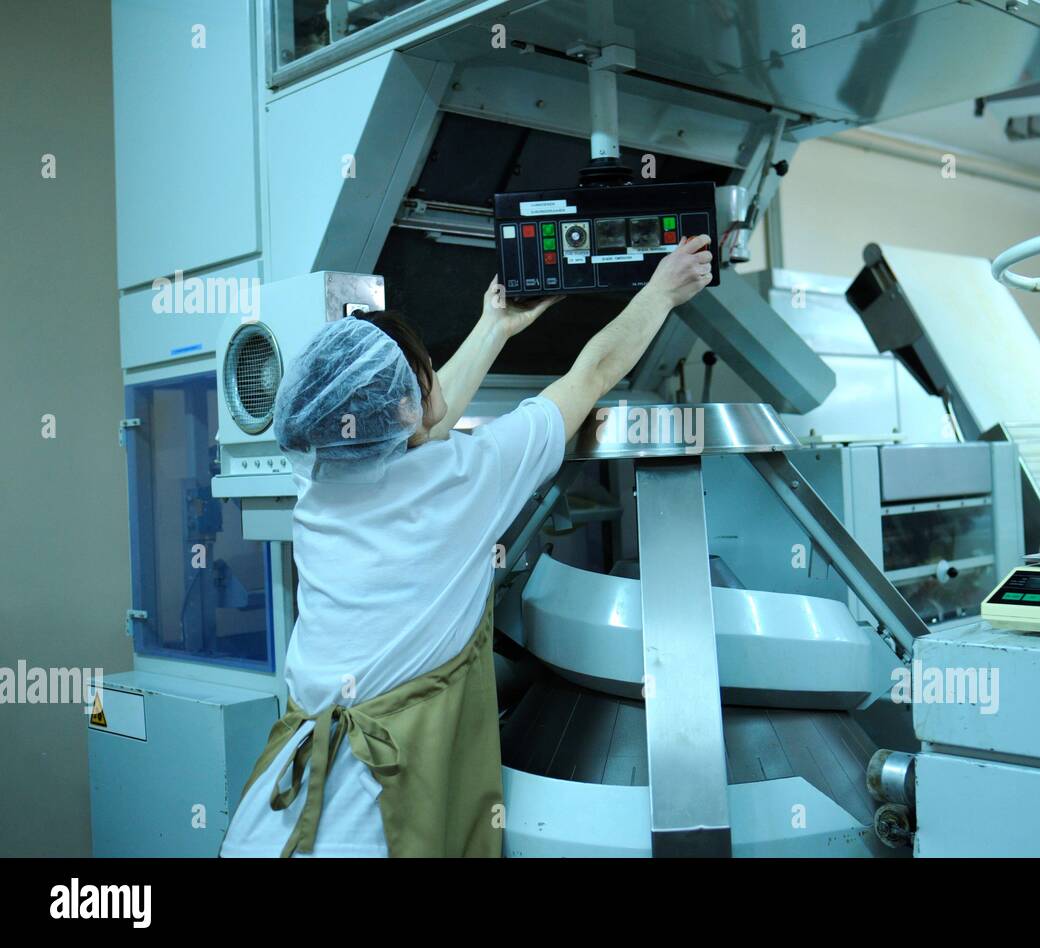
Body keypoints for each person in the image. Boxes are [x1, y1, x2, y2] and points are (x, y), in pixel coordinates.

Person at [220, 235, 714, 857]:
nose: (431, 384)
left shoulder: (316, 476)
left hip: (269, 824)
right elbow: (592, 373)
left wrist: (495, 325)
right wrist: (661, 292)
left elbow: (416, 424)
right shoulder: (463, 478)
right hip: (371, 827)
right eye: (421, 373)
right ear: (404, 403)